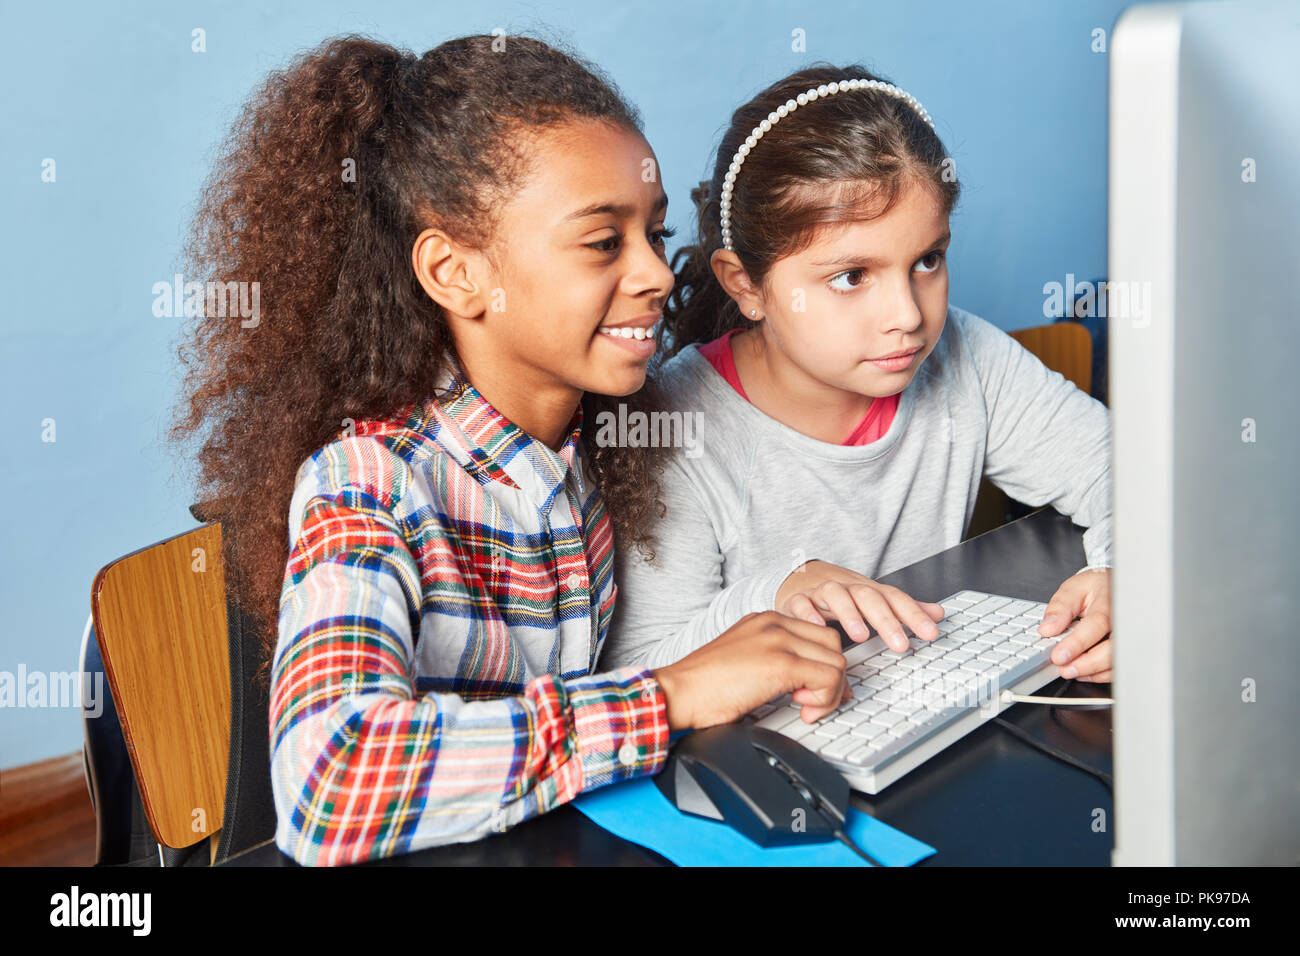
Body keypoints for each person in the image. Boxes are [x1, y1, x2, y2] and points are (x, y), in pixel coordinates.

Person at [167, 35, 852, 867]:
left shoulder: (600, 449)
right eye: (603, 242)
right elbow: (329, 787)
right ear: (455, 273)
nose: (658, 274)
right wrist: (667, 699)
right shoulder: (369, 482)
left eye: (655, 232)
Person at [601, 65, 1114, 686]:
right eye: (851, 277)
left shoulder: (966, 355)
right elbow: (645, 674)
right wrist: (780, 590)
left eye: (927, 260)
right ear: (746, 285)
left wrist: (1124, 574)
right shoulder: (671, 429)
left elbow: (1124, 475)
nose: (908, 316)